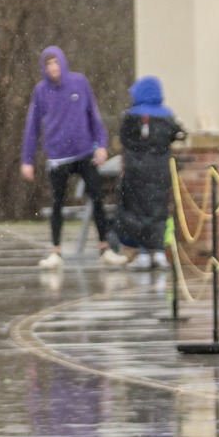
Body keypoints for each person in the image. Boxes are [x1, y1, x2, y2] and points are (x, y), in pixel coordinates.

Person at [20, 46, 128, 270]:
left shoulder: (79, 83)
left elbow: (94, 117)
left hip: (84, 151)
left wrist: (101, 145)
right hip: (58, 156)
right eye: (49, 65)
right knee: (57, 201)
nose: (53, 69)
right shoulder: (41, 91)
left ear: (63, 63)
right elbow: (32, 128)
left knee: (97, 198)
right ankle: (56, 252)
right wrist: (27, 159)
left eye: (56, 63)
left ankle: (104, 248)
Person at [116, 76, 184, 270]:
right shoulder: (166, 116)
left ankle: (144, 253)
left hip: (136, 173)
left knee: (139, 211)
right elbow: (177, 133)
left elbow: (125, 140)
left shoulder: (131, 116)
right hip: (160, 171)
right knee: (159, 211)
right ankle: (160, 252)